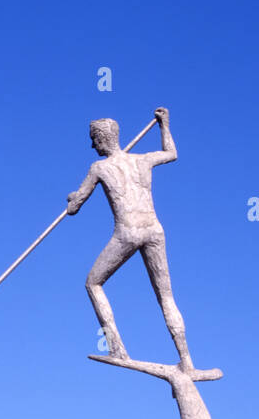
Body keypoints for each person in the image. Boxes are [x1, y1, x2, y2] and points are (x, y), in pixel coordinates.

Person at [67, 107, 194, 370]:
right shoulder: (142, 160)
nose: (92, 145)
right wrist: (165, 125)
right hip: (154, 229)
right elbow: (172, 154)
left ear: (102, 138)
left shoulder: (99, 167)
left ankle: (117, 349)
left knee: (93, 283)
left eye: (93, 139)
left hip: (127, 232)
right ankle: (187, 360)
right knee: (166, 296)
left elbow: (76, 205)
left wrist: (72, 200)